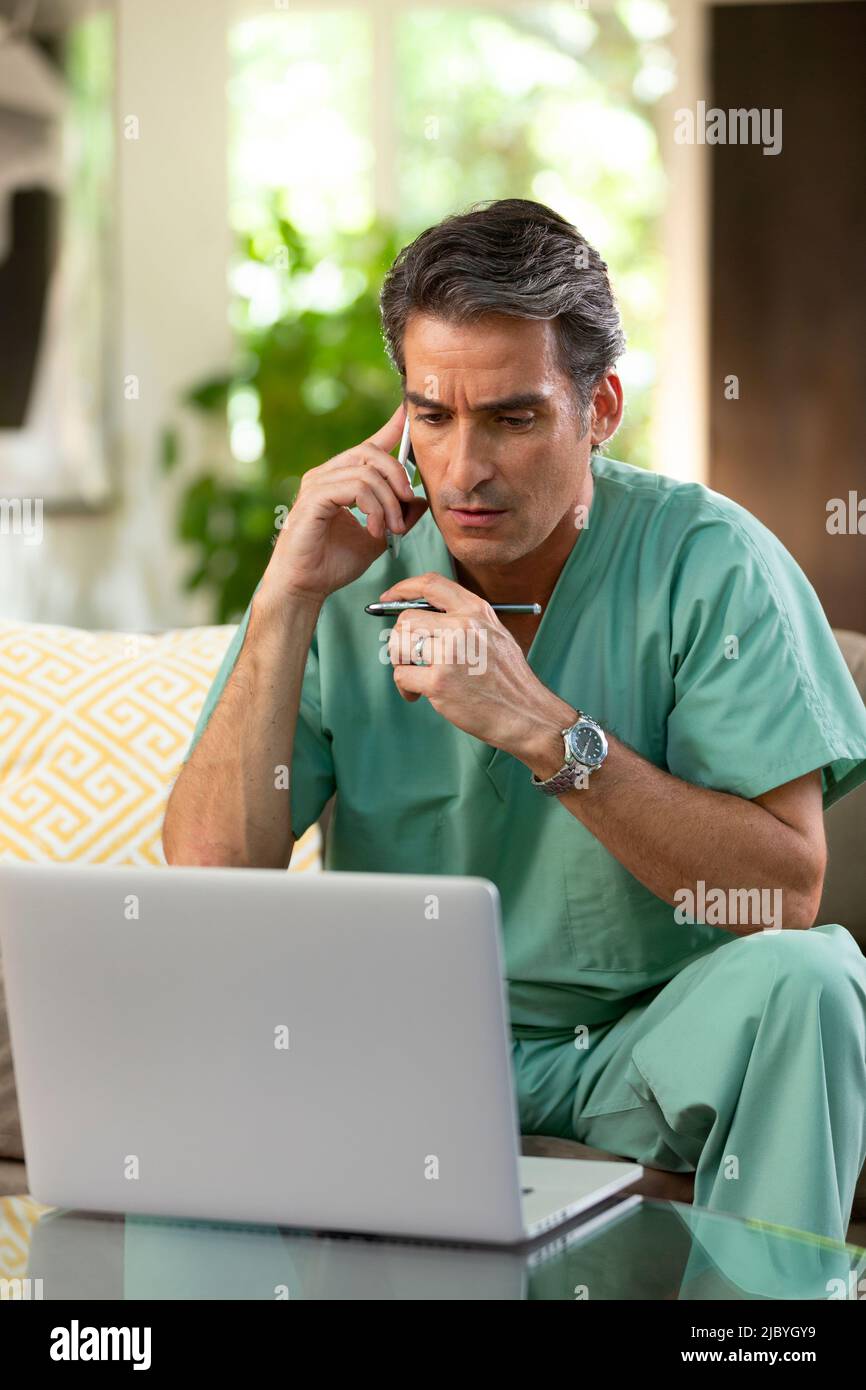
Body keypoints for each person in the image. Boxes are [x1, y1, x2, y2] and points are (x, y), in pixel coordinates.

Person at [163, 198, 866, 1243]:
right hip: (391, 1045)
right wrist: (284, 596)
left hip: (636, 1050)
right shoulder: (347, 567)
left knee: (815, 981)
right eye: (432, 416)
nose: (461, 469)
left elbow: (781, 893)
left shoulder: (710, 564)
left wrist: (546, 732)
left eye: (512, 416)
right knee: (191, 1023)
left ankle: (752, 1339)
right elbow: (211, 888)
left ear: (599, 407)